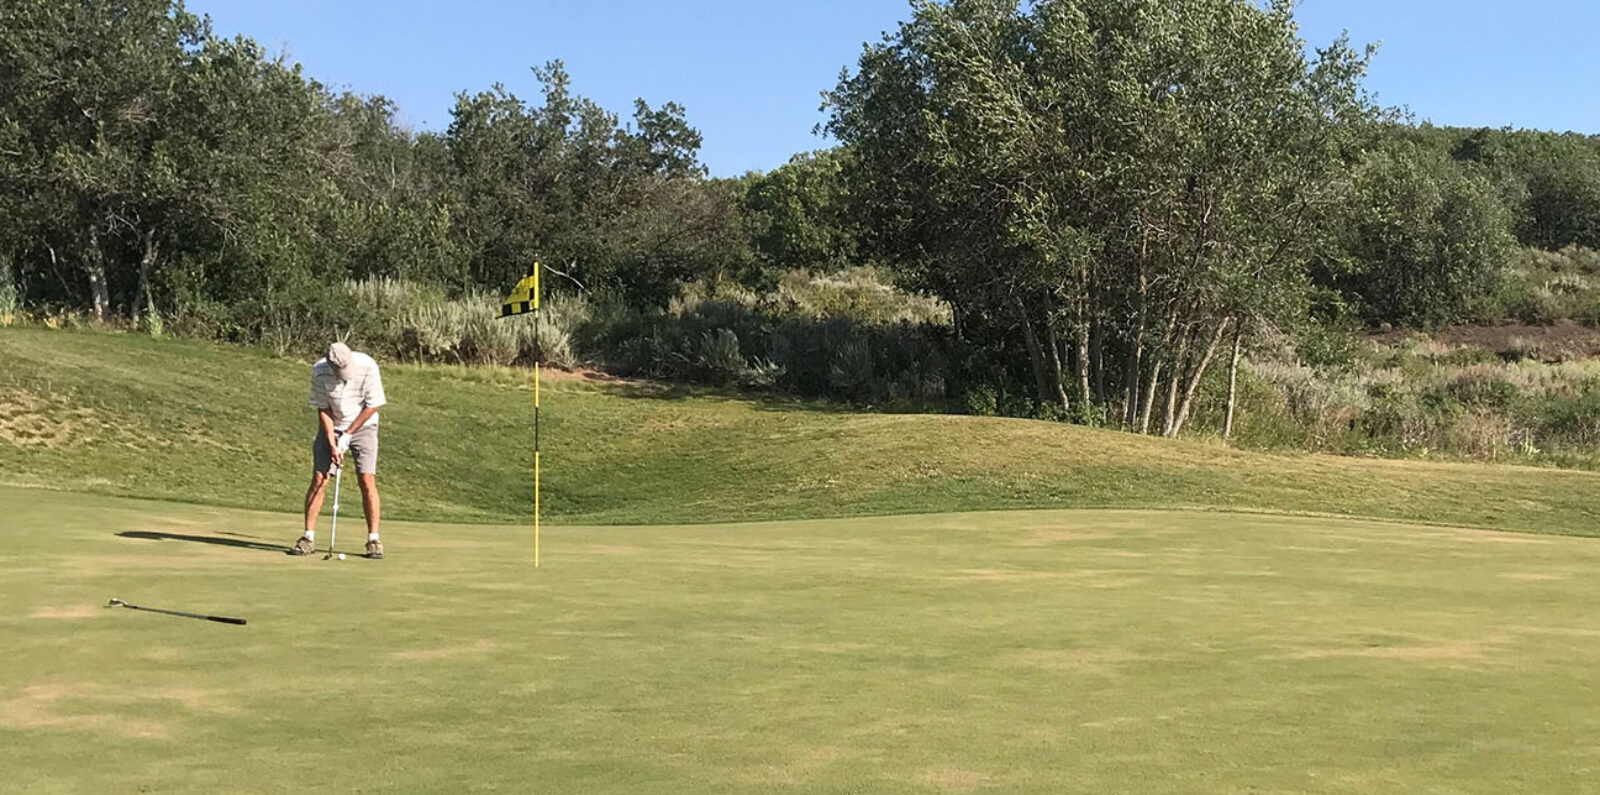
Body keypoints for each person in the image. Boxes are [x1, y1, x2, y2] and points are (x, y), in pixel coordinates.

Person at [290, 342, 387, 559]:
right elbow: (323, 408)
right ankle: (308, 537)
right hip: (332, 426)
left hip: (365, 425)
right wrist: (333, 442)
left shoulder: (368, 366)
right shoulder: (319, 371)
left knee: (366, 479)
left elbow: (373, 405)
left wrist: (349, 433)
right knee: (320, 478)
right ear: (331, 366)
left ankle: (373, 540)